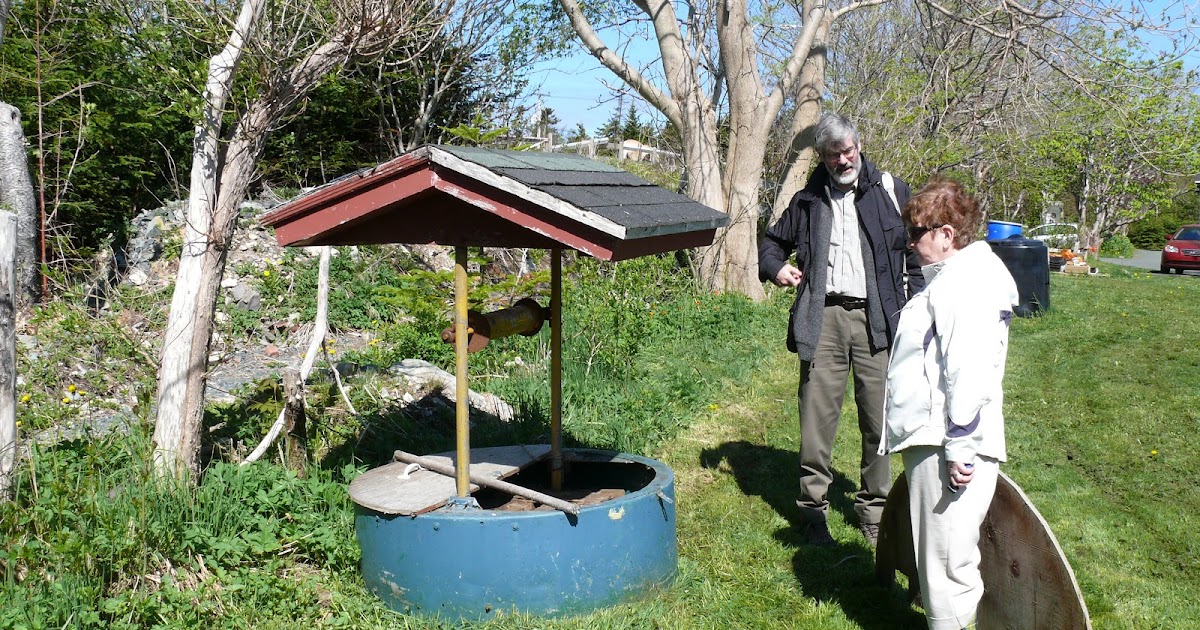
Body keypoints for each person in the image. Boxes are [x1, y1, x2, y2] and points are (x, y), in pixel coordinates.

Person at [758, 113, 924, 547]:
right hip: (824, 318)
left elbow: (915, 255)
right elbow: (772, 243)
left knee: (879, 422)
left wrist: (916, 309)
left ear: (858, 145)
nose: (843, 160)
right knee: (816, 421)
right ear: (822, 156)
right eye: (833, 155)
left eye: (848, 151)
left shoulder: (890, 191)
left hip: (878, 321)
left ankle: (875, 513)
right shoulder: (808, 200)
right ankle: (813, 513)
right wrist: (776, 268)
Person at [882, 178, 1018, 630]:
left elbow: (969, 370)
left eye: (916, 233)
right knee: (943, 562)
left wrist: (960, 446)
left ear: (946, 234)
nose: (911, 243)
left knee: (946, 571)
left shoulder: (967, 283)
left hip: (949, 444)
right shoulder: (958, 278)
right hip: (941, 439)